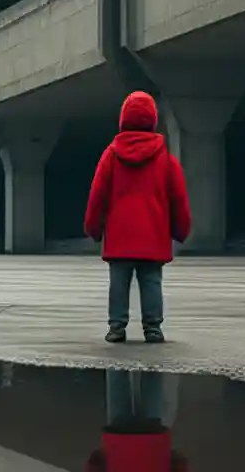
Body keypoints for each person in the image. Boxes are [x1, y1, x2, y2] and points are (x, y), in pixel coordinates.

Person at [84, 91, 192, 344]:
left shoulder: (111, 155)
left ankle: (116, 327)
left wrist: (94, 228)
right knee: (151, 281)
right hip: (153, 234)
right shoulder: (166, 159)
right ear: (153, 120)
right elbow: (178, 198)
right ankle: (153, 328)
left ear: (123, 119)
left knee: (118, 282)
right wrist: (181, 230)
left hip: (120, 234)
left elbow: (97, 195)